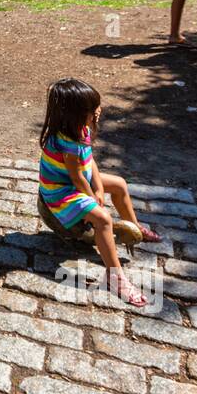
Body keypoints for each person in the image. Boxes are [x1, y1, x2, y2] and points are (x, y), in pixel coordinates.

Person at [37, 78, 161, 307]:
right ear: (74, 114)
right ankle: (116, 276)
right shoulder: (66, 143)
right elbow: (76, 177)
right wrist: (93, 197)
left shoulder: (80, 130)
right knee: (102, 218)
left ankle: (134, 228)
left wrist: (100, 188)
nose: (98, 111)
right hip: (60, 191)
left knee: (120, 184)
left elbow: (90, 161)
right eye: (93, 109)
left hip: (75, 181)